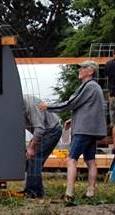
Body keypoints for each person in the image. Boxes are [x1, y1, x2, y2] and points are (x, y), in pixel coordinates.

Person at [40, 60, 107, 201]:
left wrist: (49, 107)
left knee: (71, 159)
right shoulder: (96, 87)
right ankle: (90, 192)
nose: (79, 70)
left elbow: (71, 103)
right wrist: (73, 120)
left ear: (91, 72)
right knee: (90, 161)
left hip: (84, 130)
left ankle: (69, 194)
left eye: (83, 68)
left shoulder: (88, 86)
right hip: (92, 130)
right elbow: (91, 108)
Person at [21, 95, 62, 199]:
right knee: (33, 159)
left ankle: (32, 191)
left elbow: (40, 129)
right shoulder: (19, 106)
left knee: (35, 158)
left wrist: (31, 147)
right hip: (44, 132)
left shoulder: (31, 105)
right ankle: (38, 191)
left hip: (51, 131)